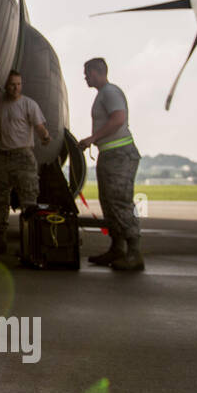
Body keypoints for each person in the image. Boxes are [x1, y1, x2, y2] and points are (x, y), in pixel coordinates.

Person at [79, 58, 143, 271]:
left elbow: (118, 119)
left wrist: (92, 138)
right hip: (109, 155)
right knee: (109, 202)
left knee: (121, 202)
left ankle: (134, 253)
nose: (85, 77)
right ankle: (117, 248)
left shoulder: (110, 92)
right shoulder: (103, 94)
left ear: (97, 72)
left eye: (87, 73)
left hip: (120, 155)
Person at [0, 71, 51, 253]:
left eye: (18, 84)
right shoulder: (0, 106)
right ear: (6, 86)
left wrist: (45, 136)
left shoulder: (29, 104)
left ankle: (31, 244)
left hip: (23, 156)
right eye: (12, 84)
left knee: (28, 200)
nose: (16, 88)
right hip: (3, 156)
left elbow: (39, 126)